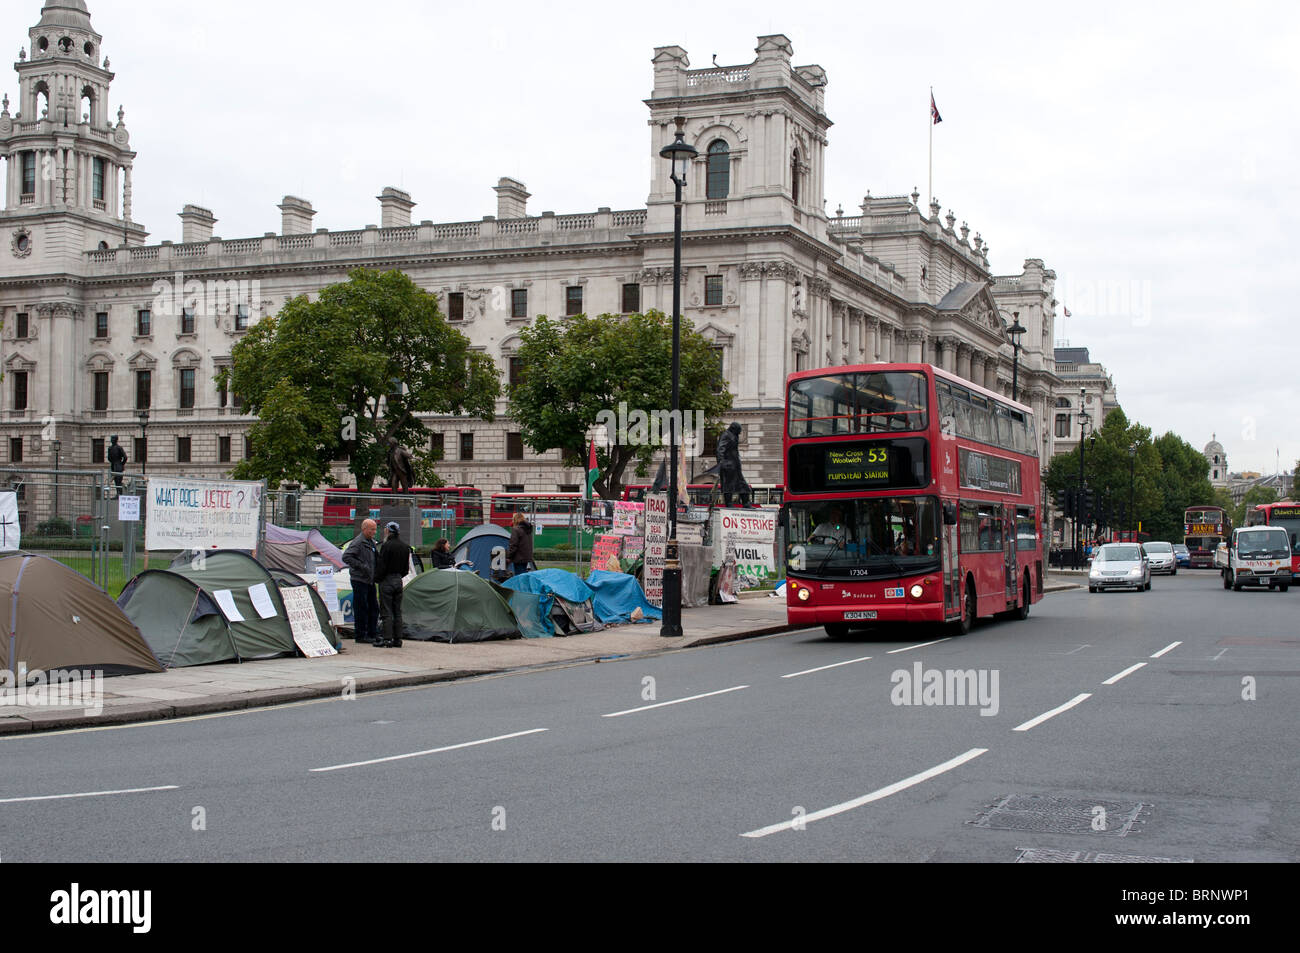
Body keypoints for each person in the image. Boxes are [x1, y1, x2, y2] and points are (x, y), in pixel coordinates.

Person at [342, 519, 380, 644]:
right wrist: (362, 567)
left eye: (375, 529)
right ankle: (360, 635)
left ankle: (372, 633)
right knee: (361, 607)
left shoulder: (371, 542)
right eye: (372, 529)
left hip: (370, 580)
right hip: (360, 579)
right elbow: (346, 557)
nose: (374, 532)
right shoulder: (358, 542)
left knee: (373, 607)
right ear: (364, 529)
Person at [375, 521, 412, 648]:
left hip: (387, 580)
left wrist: (377, 578)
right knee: (397, 611)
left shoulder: (387, 545)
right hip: (398, 580)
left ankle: (387, 639)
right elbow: (406, 569)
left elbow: (382, 565)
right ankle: (398, 639)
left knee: (386, 610)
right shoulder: (404, 547)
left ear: (388, 531)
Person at [506, 511, 534, 577]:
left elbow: (513, 545)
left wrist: (508, 556)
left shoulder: (516, 529)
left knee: (519, 576)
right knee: (523, 575)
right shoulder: (528, 529)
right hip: (526, 557)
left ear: (515, 519)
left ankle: (521, 587)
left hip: (518, 558)